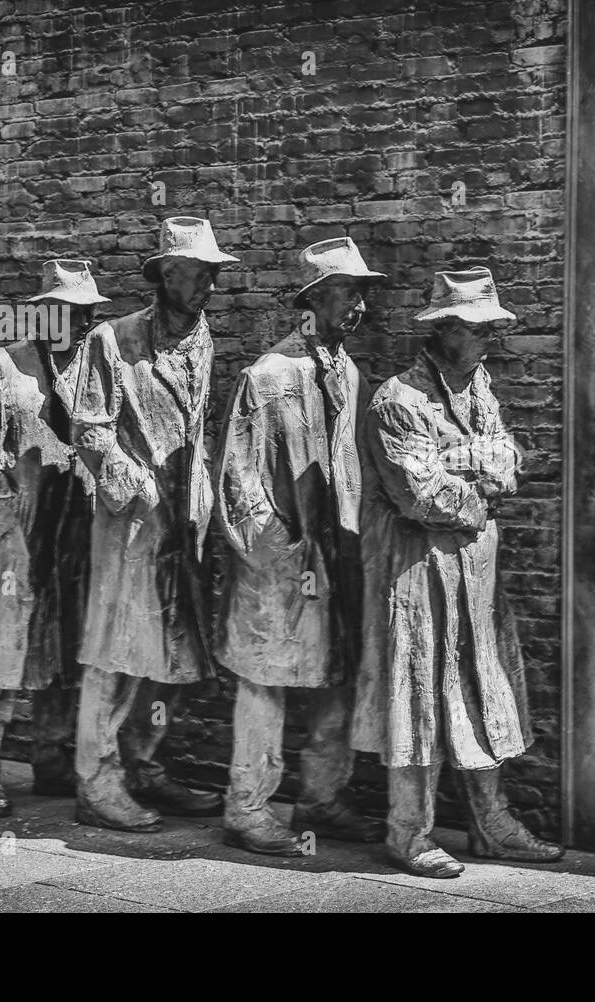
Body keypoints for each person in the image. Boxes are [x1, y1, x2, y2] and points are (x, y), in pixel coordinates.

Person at [353, 267, 564, 877]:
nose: (486, 340)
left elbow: (509, 467)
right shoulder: (399, 400)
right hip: (417, 571)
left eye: (490, 329)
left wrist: (471, 472)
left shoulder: (481, 390)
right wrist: (475, 490)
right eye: (476, 329)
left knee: (483, 689)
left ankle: (492, 823)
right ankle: (408, 831)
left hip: (476, 571)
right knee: (417, 692)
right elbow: (420, 494)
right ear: (444, 330)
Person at [214, 237, 386, 855]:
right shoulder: (268, 377)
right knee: (266, 681)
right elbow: (239, 478)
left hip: (339, 553)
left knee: (338, 674)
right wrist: (277, 555)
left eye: (362, 293)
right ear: (313, 300)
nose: (359, 305)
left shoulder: (350, 373)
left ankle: (322, 795)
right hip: (281, 564)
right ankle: (248, 806)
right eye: (347, 292)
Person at [68, 217, 234, 832]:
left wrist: (202, 497)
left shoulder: (202, 338)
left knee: (170, 657)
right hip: (131, 525)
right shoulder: (113, 341)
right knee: (115, 654)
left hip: (182, 522)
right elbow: (89, 428)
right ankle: (97, 780)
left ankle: (142, 765)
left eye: (213, 274)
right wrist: (132, 484)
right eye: (198, 273)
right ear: (167, 273)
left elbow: (198, 427)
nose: (208, 285)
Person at [0, 260, 106, 817]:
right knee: (3, 655)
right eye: (69, 311)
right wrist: (6, 521)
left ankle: (52, 756)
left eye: (87, 312)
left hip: (76, 526)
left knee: (62, 649)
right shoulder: (3, 366)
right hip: (18, 533)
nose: (80, 321)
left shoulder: (93, 369)